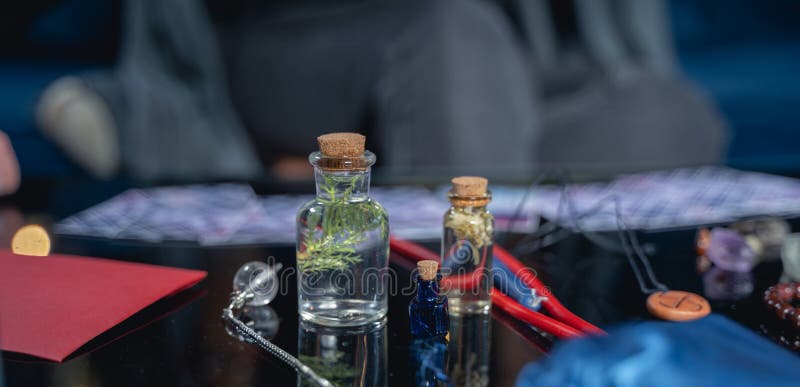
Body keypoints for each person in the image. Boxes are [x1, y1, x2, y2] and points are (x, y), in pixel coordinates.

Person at [36, 0, 726, 183]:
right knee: (452, 39)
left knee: (664, 115)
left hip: (491, 48)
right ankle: (481, 363)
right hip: (289, 39)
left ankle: (330, 182)